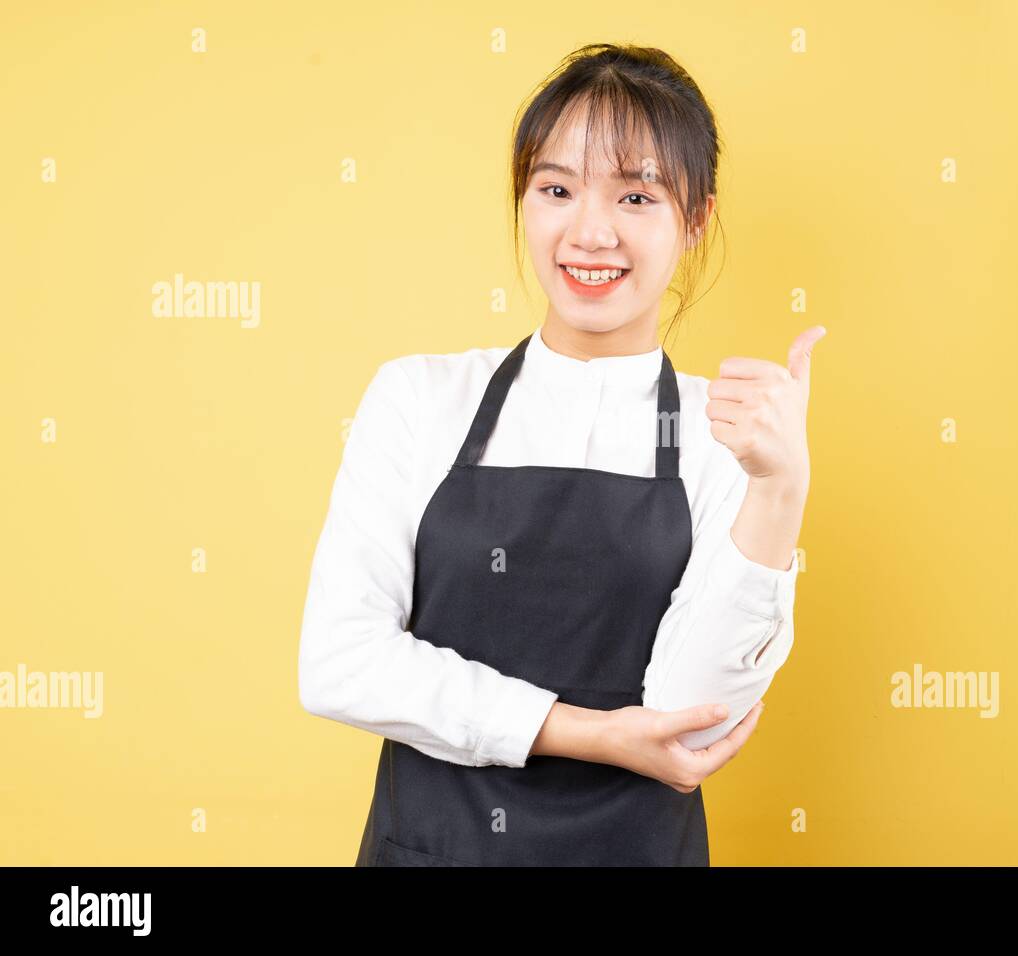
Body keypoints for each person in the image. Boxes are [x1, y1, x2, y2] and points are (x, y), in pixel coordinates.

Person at [298, 42, 824, 866]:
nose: (591, 231)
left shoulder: (726, 439)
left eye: (637, 195)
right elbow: (339, 662)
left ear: (696, 220)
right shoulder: (419, 399)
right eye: (557, 189)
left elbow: (695, 720)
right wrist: (587, 732)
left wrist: (780, 488)